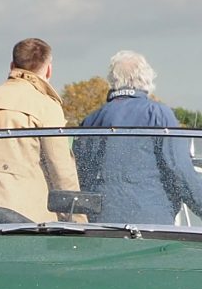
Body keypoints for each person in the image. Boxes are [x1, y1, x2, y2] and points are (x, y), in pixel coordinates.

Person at [77, 49, 199, 226]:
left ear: (113, 80)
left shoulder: (91, 120)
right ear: (146, 79)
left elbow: (81, 172)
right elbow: (180, 171)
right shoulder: (158, 114)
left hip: (101, 223)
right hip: (150, 223)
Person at [0, 38, 79, 221]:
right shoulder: (46, 106)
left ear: (12, 65)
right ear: (49, 69)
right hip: (29, 223)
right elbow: (62, 173)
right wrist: (79, 223)